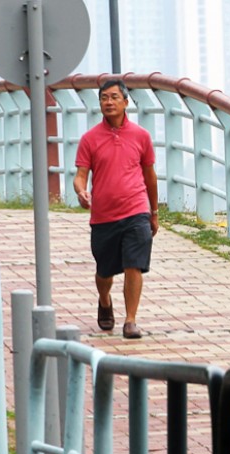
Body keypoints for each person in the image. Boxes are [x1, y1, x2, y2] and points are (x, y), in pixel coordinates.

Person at [73, 78, 158, 340]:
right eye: (103, 98)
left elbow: (150, 176)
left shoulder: (141, 136)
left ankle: (130, 320)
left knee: (135, 265)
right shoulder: (90, 139)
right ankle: (105, 299)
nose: (108, 102)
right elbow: (80, 175)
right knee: (105, 271)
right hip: (104, 216)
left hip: (136, 209)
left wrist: (153, 212)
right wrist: (81, 191)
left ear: (125, 101)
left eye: (113, 97)